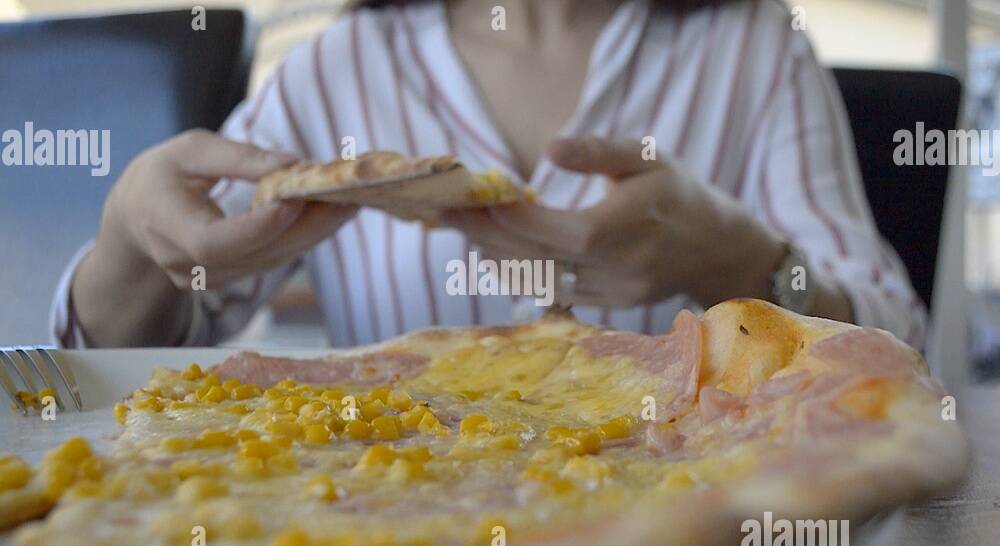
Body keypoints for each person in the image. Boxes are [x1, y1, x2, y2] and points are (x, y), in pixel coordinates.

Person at [52, 0, 925, 350]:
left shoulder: (754, 49)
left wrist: (753, 268)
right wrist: (130, 237)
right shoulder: (337, 68)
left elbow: (903, 346)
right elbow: (135, 356)